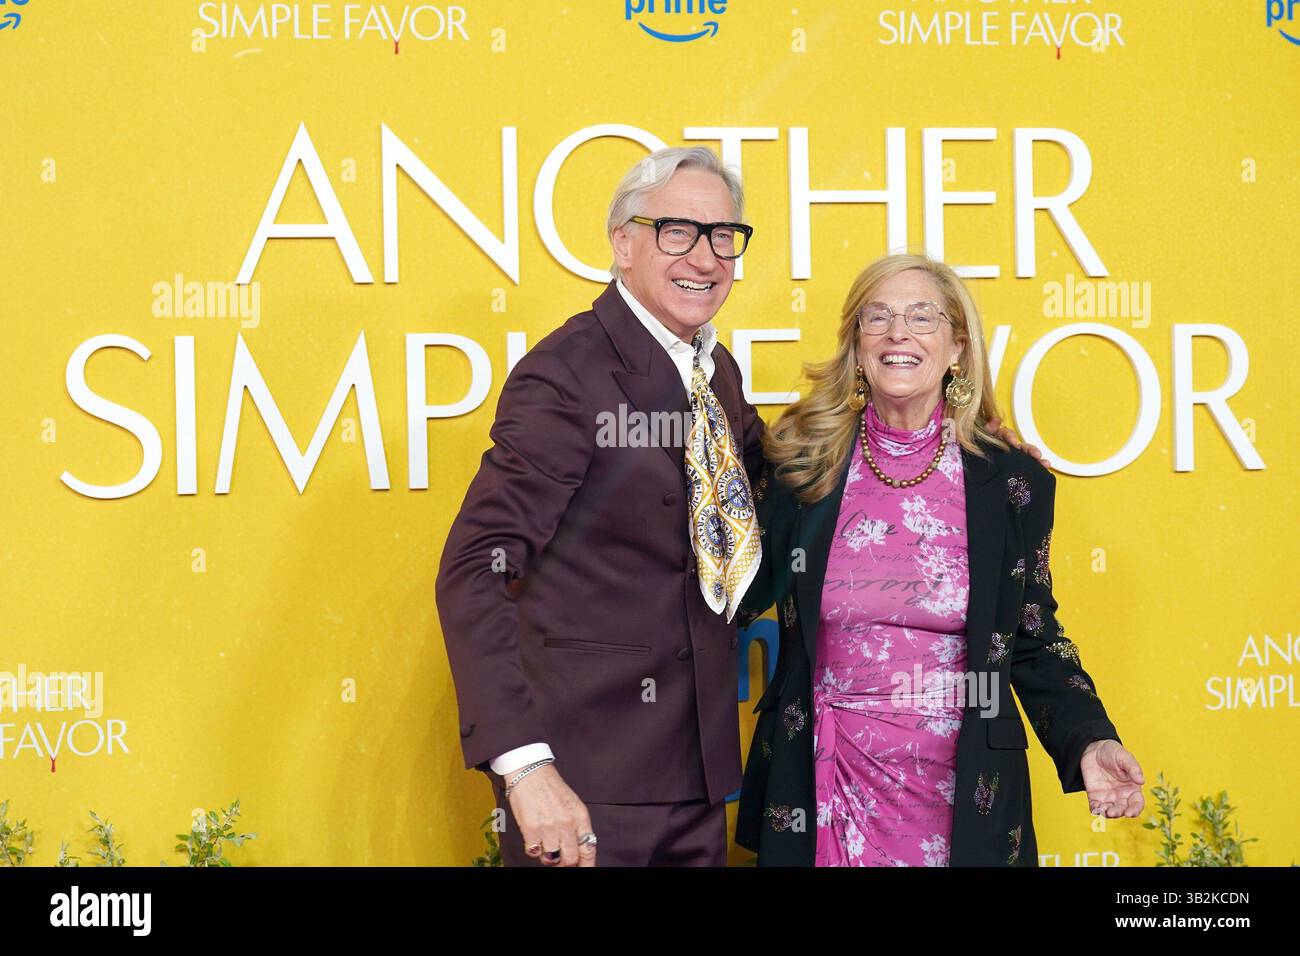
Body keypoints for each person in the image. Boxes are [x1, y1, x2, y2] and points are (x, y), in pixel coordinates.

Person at [734, 252, 1145, 866]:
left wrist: (1089, 739)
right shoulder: (802, 467)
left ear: (957, 345)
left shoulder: (1012, 480)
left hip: (962, 789)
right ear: (857, 344)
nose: (898, 333)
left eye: (922, 317)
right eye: (879, 317)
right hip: (826, 780)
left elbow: (1031, 635)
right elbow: (730, 596)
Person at [435, 147, 765, 866]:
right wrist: (526, 769)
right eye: (677, 231)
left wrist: (945, 429)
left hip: (696, 779)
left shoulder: (715, 372)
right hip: (582, 784)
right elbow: (473, 568)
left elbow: (782, 485)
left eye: (723, 237)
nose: (705, 258)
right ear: (624, 243)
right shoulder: (567, 375)